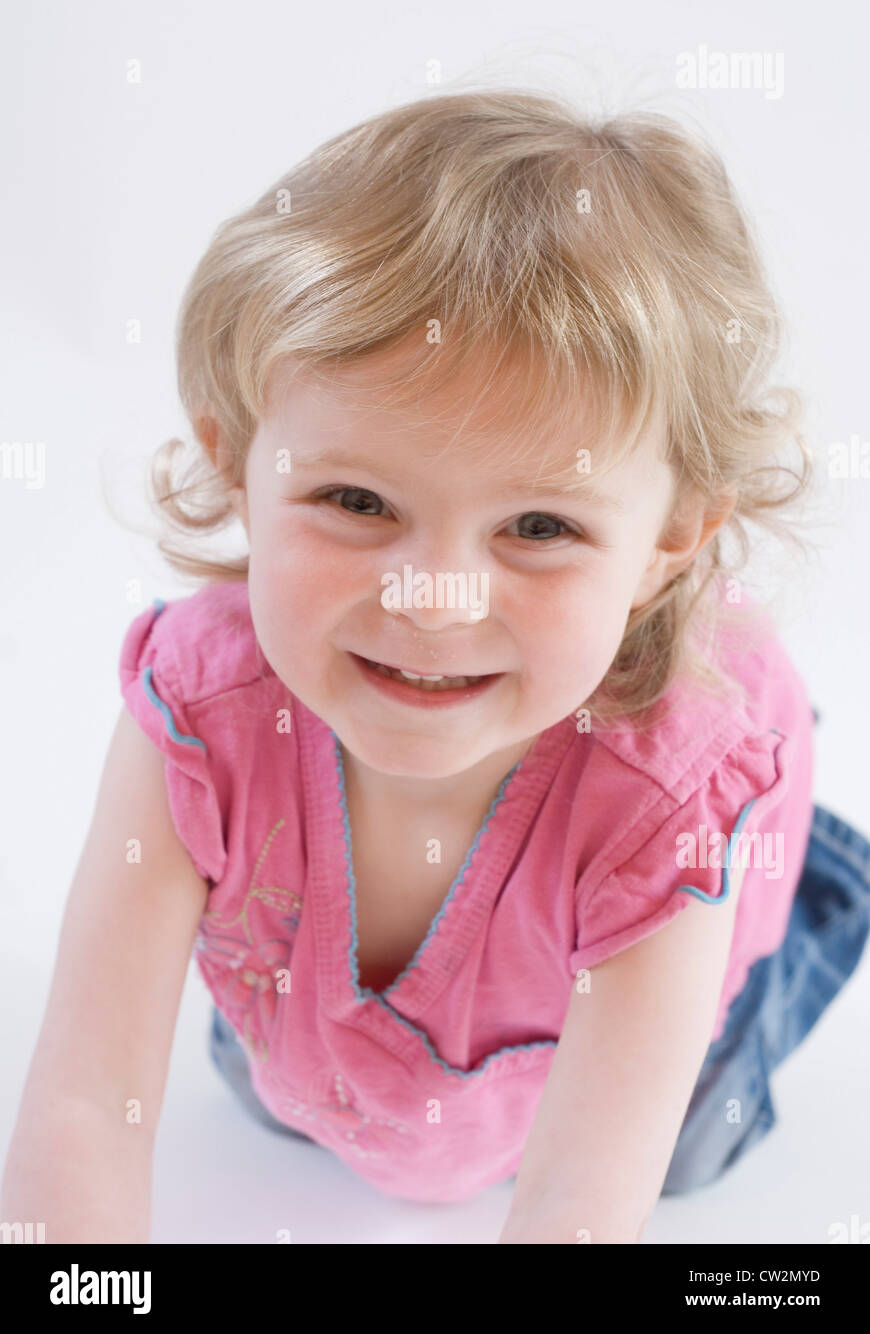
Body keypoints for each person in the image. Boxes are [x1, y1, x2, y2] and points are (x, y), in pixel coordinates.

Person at [3, 90, 868, 1245]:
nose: (434, 598)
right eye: (356, 501)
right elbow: (81, 1104)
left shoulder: (667, 805)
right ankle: (342, 1064)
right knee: (279, 1096)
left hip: (657, 1018)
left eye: (540, 528)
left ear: (668, 545)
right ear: (237, 461)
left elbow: (575, 1212)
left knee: (689, 1150)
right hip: (312, 1021)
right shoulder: (202, 715)